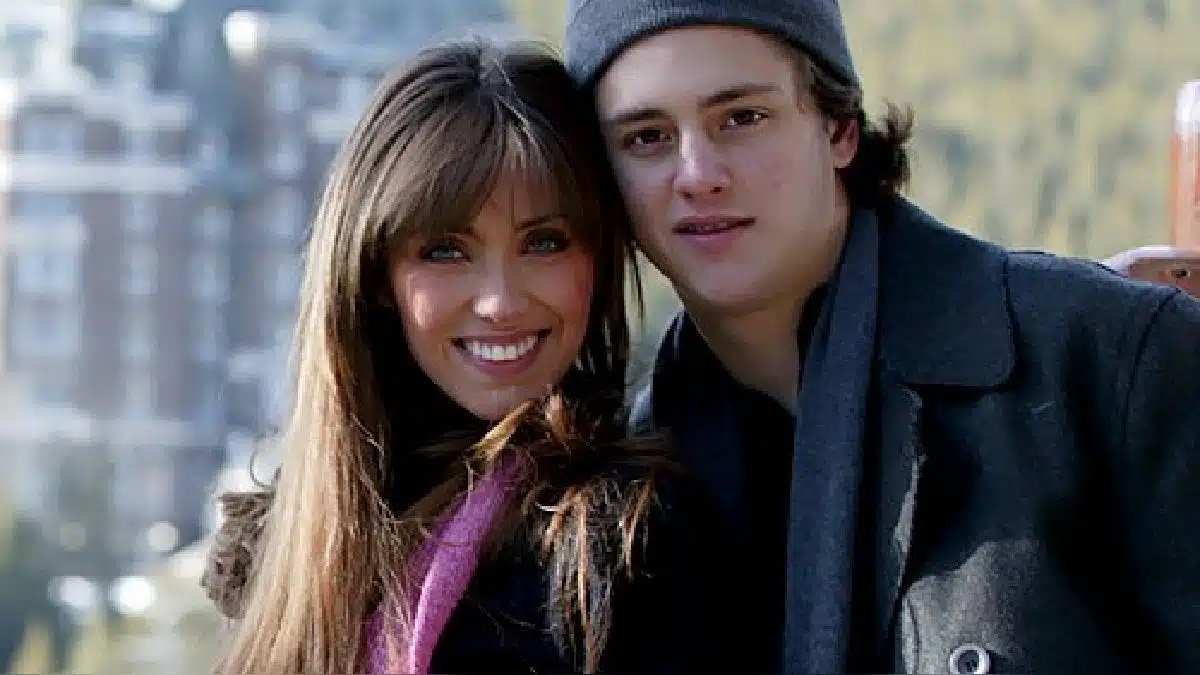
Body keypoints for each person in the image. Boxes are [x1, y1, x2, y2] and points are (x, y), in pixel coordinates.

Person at [563, 1, 1200, 673]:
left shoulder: (1110, 364)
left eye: (742, 118)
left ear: (839, 128)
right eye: (646, 137)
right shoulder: (627, 499)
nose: (698, 174)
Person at [200, 36, 713, 674]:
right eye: (446, 251)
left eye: (545, 242)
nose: (500, 302)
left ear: (599, 258)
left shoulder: (628, 544)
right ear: (377, 275)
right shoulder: (272, 549)